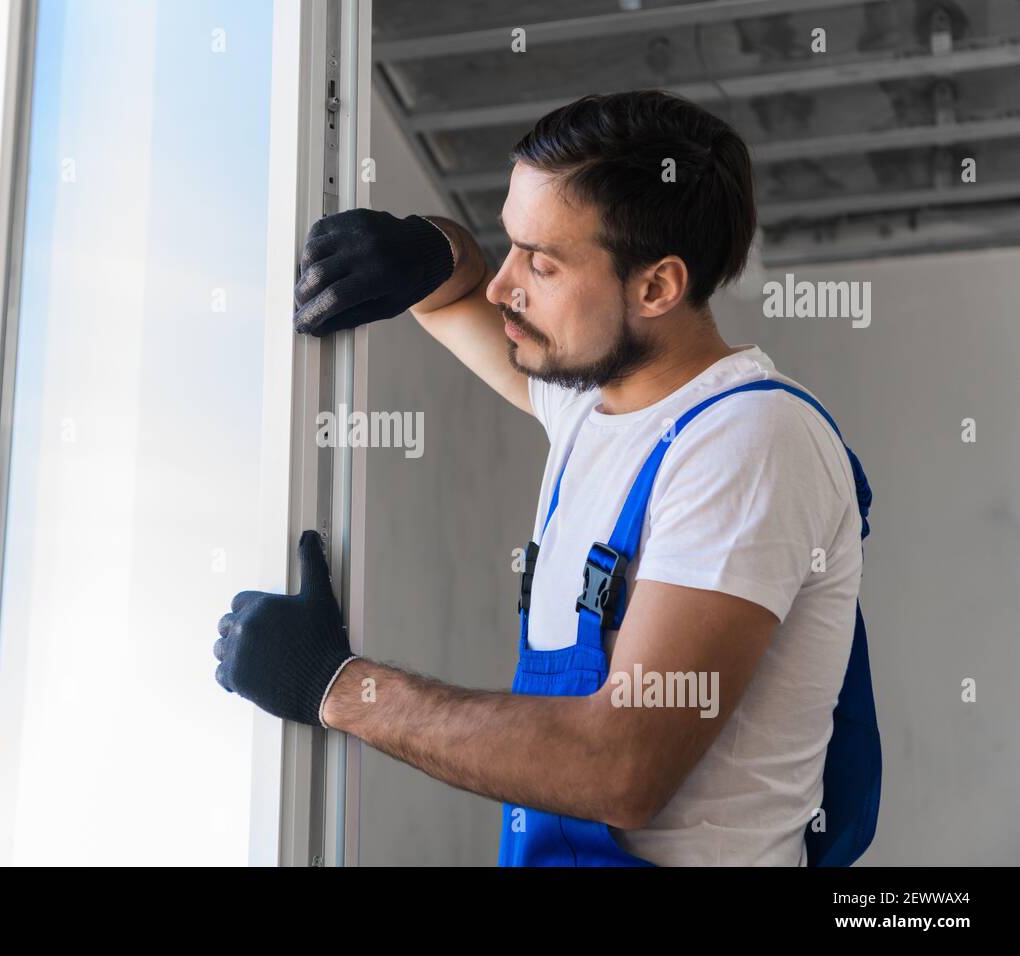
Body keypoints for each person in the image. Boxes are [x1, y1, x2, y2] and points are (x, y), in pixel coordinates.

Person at [214, 90, 871, 866]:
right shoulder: (588, 406)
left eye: (542, 262)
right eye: (511, 242)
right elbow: (459, 289)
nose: (504, 286)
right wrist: (426, 246)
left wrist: (340, 686)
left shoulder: (748, 439)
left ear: (656, 287)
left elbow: (622, 766)